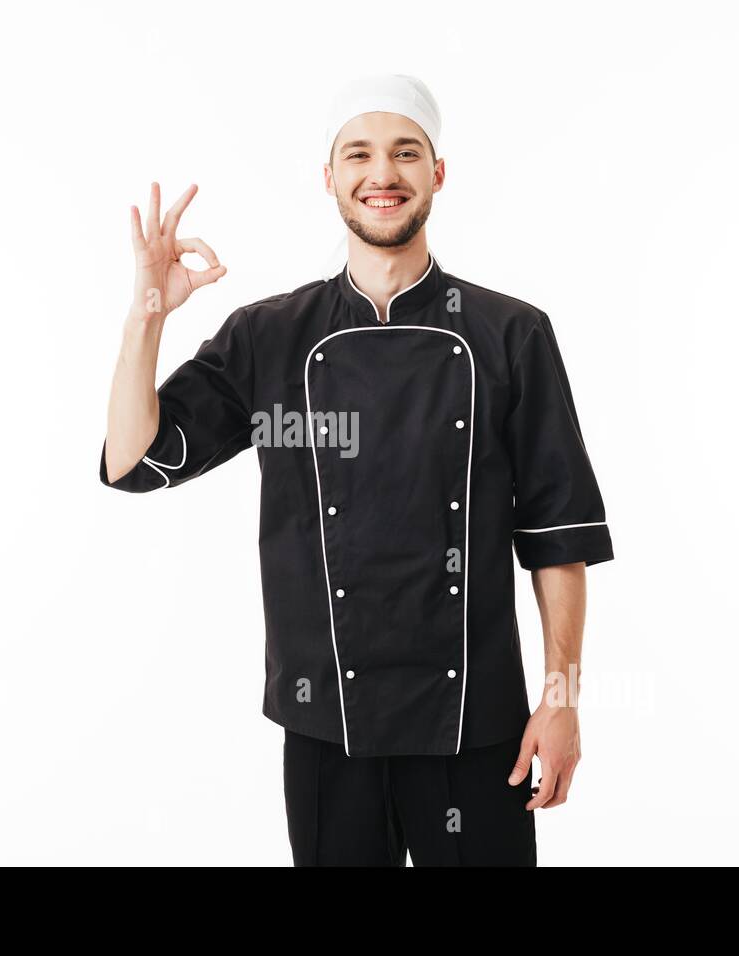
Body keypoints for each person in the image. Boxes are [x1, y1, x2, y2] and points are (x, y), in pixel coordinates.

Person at [101, 74, 614, 866]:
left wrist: (564, 699)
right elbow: (135, 459)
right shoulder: (270, 337)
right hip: (326, 727)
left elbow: (555, 536)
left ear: (437, 174)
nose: (384, 175)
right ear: (330, 177)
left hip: (477, 724)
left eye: (407, 153)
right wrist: (147, 315)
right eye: (360, 154)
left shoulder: (510, 334)